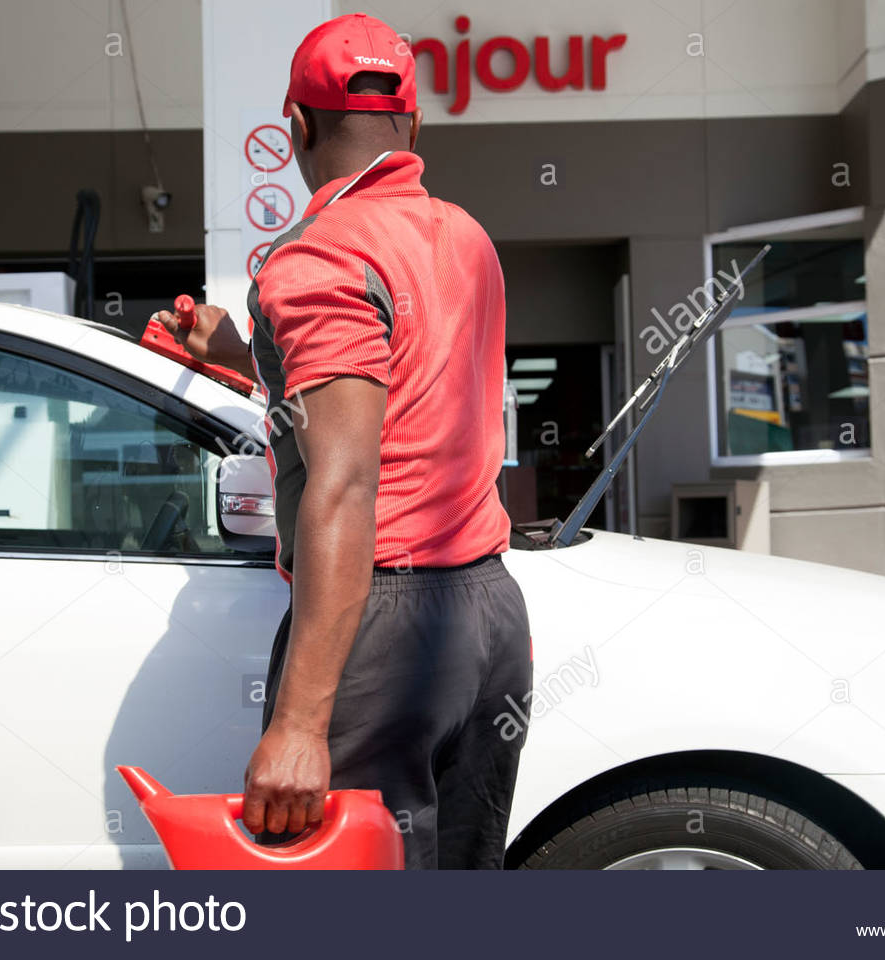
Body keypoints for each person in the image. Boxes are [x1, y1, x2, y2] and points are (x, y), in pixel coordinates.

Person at [153, 12, 531, 869]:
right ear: (415, 126)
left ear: (294, 125)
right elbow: (408, 386)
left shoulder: (315, 261)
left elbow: (348, 480)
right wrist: (247, 353)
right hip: (489, 617)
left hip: (381, 630)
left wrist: (297, 724)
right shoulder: (466, 238)